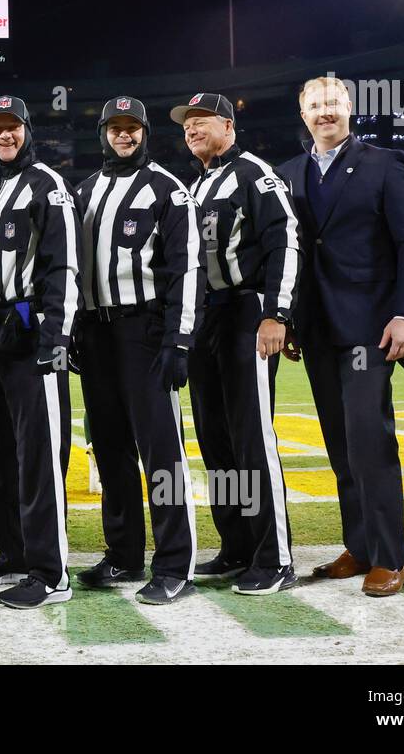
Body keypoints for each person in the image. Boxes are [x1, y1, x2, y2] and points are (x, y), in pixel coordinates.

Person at [277, 76, 404, 597]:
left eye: (332, 104)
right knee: (339, 444)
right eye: (314, 105)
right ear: (303, 114)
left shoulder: (387, 164)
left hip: (368, 325)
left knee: (369, 439)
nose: (324, 113)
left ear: (350, 108)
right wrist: (290, 317)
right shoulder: (289, 172)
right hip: (317, 328)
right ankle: (360, 546)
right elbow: (289, 254)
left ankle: (391, 557)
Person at [71, 96, 203, 605]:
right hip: (97, 333)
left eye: (133, 129)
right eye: (115, 128)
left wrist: (178, 340)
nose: (124, 136)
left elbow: (185, 272)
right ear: (102, 132)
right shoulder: (83, 191)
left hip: (145, 331)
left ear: (146, 133)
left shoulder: (168, 189)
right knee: (110, 448)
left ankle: (174, 563)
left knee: (161, 451)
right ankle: (123, 554)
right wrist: (76, 328)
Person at [172, 93, 300, 595]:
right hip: (208, 317)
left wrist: (276, 313)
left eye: (202, 121)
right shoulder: (200, 182)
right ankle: (237, 543)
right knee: (217, 439)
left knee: (252, 437)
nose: (192, 129)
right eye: (187, 124)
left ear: (228, 125)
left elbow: (284, 241)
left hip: (246, 310)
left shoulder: (255, 174)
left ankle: (275, 557)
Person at [0, 95, 79, 609]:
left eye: (13, 127)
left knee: (39, 455)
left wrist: (56, 337)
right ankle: (12, 552)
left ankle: (50, 572)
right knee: (0, 452)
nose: (4, 136)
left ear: (27, 131)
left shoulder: (47, 185)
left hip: (33, 332)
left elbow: (63, 267)